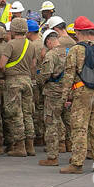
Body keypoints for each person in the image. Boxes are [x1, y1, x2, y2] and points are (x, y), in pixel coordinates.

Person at [60, 17, 94, 173]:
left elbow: (69, 75)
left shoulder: (76, 50)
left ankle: (77, 163)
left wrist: (64, 97)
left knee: (79, 128)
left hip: (82, 92)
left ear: (78, 32)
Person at [0, 16, 35, 156]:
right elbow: (33, 65)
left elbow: (2, 64)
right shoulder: (31, 45)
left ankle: (20, 146)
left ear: (13, 30)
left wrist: (7, 73)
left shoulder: (11, 44)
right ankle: (30, 146)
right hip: (27, 80)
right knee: (27, 113)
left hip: (13, 81)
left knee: (15, 114)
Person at [37, 28, 67, 166]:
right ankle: (67, 146)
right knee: (68, 122)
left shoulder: (51, 55)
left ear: (49, 41)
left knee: (51, 122)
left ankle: (52, 156)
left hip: (53, 93)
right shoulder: (68, 52)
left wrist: (39, 81)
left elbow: (45, 75)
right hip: (67, 92)